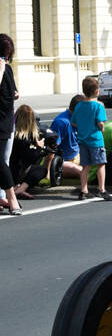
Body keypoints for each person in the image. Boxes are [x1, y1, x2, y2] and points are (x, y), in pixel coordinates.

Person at [71, 76, 112, 201]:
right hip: (95, 140)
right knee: (100, 165)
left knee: (85, 166)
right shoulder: (98, 106)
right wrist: (102, 128)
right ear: (96, 91)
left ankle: (84, 190)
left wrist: (83, 127)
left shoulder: (78, 106)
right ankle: (101, 189)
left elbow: (73, 122)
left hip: (83, 140)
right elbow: (100, 123)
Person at [10, 104, 54, 197]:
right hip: (16, 172)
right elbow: (29, 159)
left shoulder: (11, 134)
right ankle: (20, 190)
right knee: (41, 170)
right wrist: (40, 148)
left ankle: (14, 187)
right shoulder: (23, 138)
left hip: (7, 170)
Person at [0, 34, 22, 216]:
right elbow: (14, 93)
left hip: (3, 120)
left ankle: (11, 197)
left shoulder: (4, 68)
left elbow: (13, 92)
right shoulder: (5, 68)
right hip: (6, 119)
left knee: (1, 161)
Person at [49, 95, 84, 181]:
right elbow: (50, 150)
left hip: (77, 156)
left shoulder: (80, 119)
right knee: (81, 172)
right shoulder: (62, 123)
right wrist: (47, 174)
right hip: (63, 161)